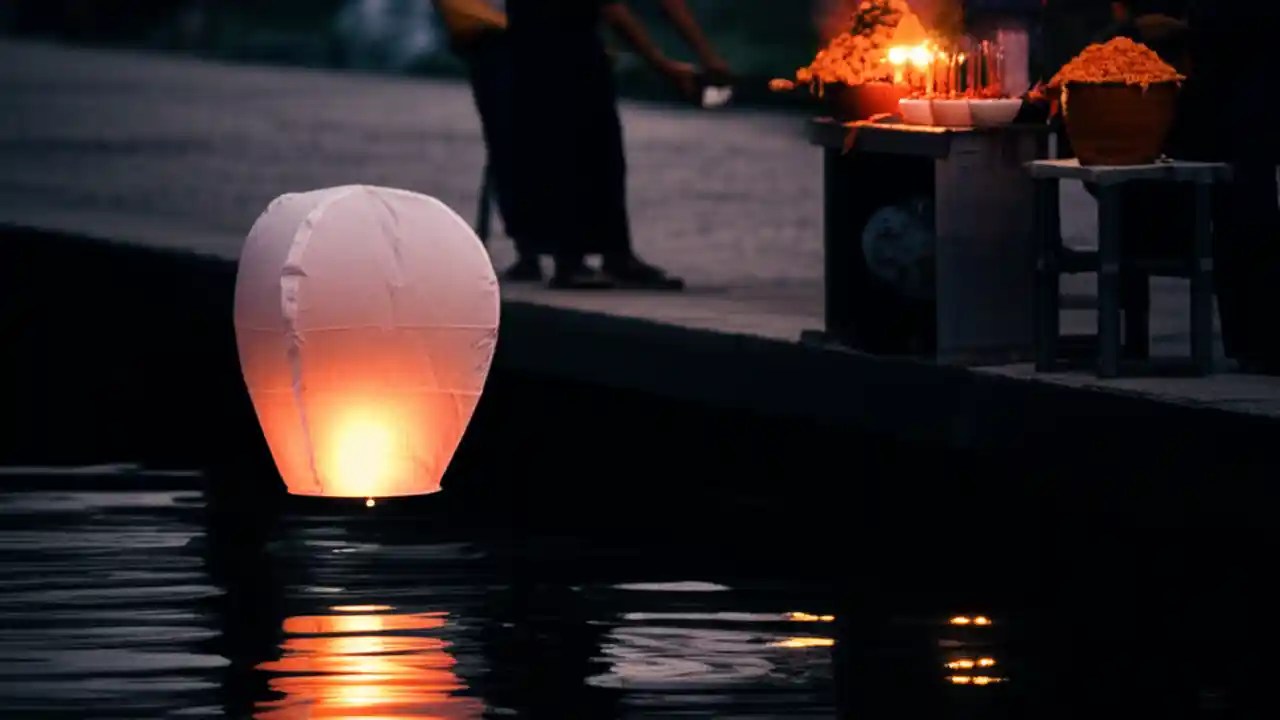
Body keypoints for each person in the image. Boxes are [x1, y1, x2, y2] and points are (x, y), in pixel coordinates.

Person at [505, 0, 733, 290]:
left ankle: (613, 254)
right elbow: (614, 9)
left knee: (601, 152)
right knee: (567, 151)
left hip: (558, 46)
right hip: (549, 48)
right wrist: (666, 64)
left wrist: (703, 56)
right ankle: (571, 259)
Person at [1181, 1, 1280, 373]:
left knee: (1244, 218)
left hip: (1237, 101)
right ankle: (1257, 340)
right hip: (1240, 103)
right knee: (1245, 216)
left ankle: (1254, 339)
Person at [432, 0, 551, 281]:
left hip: (513, 37)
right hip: (499, 38)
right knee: (509, 146)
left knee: (513, 146)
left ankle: (532, 248)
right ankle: (529, 248)